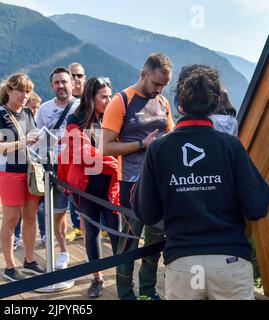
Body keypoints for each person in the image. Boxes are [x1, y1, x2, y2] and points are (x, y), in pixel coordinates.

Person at [133, 65, 269, 300]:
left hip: (183, 263)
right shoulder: (230, 146)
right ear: (215, 103)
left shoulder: (159, 149)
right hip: (229, 261)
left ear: (179, 103)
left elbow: (145, 211)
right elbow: (257, 206)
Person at [102, 53, 174, 300]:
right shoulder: (120, 101)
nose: (160, 89)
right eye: (156, 83)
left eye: (164, 85)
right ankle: (125, 294)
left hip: (159, 184)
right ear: (144, 74)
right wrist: (143, 145)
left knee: (155, 244)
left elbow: (171, 134)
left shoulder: (163, 103)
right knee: (129, 243)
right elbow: (106, 147)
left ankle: (147, 292)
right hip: (130, 184)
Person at [59, 77, 120, 297]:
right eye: (104, 96)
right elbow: (82, 154)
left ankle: (123, 279)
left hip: (110, 187)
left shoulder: (112, 117)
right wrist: (113, 159)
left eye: (110, 96)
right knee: (92, 232)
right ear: (91, 97)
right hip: (87, 187)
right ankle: (97, 278)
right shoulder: (76, 119)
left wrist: (111, 155)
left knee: (116, 232)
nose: (108, 100)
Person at [0, 73, 46, 281]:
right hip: (9, 172)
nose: (25, 95)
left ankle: (29, 261)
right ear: (9, 90)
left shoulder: (29, 113)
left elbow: (32, 139)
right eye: (21, 90)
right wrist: (21, 143)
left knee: (30, 217)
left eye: (28, 91)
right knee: (11, 220)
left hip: (28, 171)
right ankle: (10, 268)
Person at [36, 67, 80, 270]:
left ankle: (93, 255)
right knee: (58, 213)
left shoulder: (82, 106)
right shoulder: (44, 109)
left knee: (86, 212)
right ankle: (63, 251)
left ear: (72, 83)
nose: (61, 85)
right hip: (55, 168)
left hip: (80, 166)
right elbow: (39, 139)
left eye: (64, 81)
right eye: (57, 82)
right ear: (52, 85)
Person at [13, 91, 45, 250]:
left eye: (37, 108)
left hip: (36, 167)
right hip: (19, 167)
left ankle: (44, 234)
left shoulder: (37, 121)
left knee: (38, 204)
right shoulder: (18, 121)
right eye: (33, 108)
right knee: (19, 206)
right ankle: (16, 237)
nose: (35, 111)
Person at [66, 62, 87, 242]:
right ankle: (76, 226)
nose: (76, 79)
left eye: (79, 75)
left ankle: (89, 227)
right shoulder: (63, 102)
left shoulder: (90, 102)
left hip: (91, 157)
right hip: (68, 156)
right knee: (73, 191)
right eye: (72, 76)